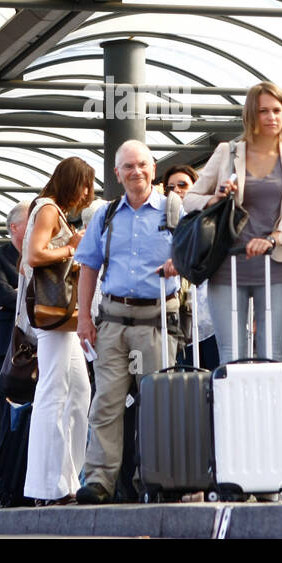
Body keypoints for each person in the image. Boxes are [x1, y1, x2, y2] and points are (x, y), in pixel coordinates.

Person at [73, 140, 178, 505]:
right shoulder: (106, 214)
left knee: (156, 401)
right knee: (106, 402)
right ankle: (100, 481)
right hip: (113, 319)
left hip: (157, 318)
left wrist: (179, 263)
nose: (136, 172)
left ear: (153, 169)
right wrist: (83, 317)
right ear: (117, 174)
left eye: (142, 165)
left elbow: (196, 255)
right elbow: (89, 266)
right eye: (128, 167)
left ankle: (156, 476)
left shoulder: (173, 210)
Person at [184, 81, 282, 363]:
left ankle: (269, 409)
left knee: (273, 355)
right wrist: (214, 199)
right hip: (227, 266)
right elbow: (189, 198)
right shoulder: (228, 152)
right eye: (263, 111)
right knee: (231, 355)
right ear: (251, 115)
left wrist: (275, 238)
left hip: (275, 266)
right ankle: (232, 408)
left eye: (278, 110)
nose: (272, 117)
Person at [21, 156, 93, 506]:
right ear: (71, 182)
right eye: (84, 184)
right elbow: (34, 255)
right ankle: (48, 487)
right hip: (53, 318)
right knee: (54, 396)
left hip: (60, 319)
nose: (87, 193)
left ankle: (66, 480)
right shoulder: (48, 209)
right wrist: (71, 247)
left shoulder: (51, 210)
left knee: (78, 394)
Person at [163, 166, 216, 370]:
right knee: (187, 384)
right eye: (170, 187)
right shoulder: (163, 222)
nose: (176, 190)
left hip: (211, 318)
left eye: (183, 184)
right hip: (180, 320)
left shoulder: (211, 219)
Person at [0, 201, 29, 376]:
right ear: (14, 227)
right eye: (31, 220)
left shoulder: (44, 253)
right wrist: (34, 297)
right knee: (8, 393)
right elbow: (2, 295)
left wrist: (20, 292)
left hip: (39, 338)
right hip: (8, 339)